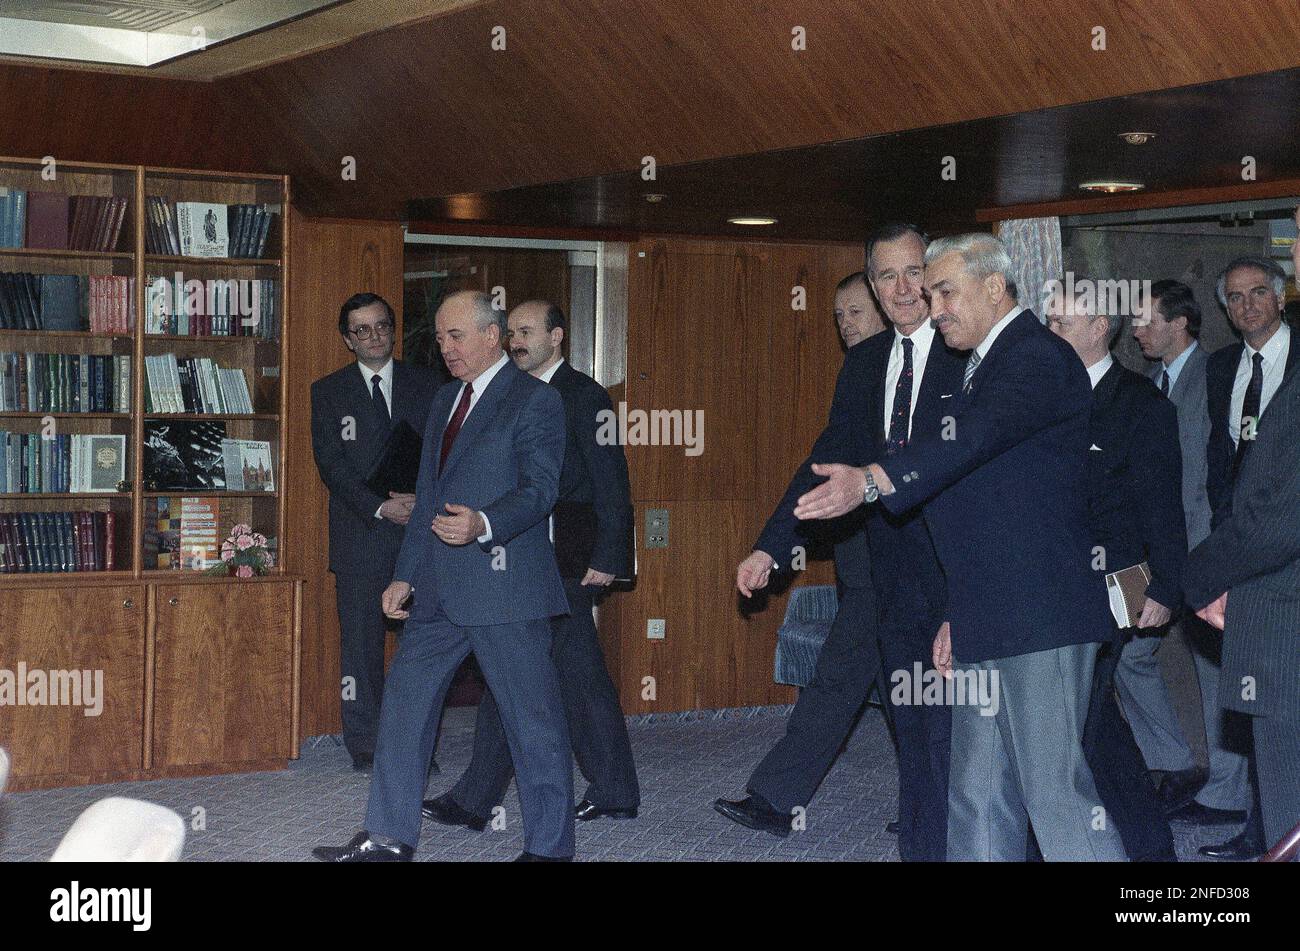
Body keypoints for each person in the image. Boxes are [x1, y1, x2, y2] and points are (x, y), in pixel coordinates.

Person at [796, 233, 1127, 861]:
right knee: (975, 793)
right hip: (985, 612)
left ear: (995, 289)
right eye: (930, 292)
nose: (933, 305)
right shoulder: (983, 364)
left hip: (1041, 616)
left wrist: (871, 480)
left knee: (1054, 797)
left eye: (945, 291)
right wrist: (958, 610)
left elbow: (966, 442)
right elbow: (984, 506)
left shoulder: (1037, 356)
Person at [718, 225, 960, 861]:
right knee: (920, 728)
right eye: (887, 277)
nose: (903, 289)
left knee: (971, 740)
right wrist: (771, 546)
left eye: (914, 273)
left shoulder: (972, 354)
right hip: (888, 576)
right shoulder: (865, 364)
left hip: (962, 574)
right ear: (875, 288)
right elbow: (825, 463)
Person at [313, 290, 573, 862]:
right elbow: (428, 494)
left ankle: (551, 849)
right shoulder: (444, 400)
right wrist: (404, 575)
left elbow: (540, 489)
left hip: (505, 590)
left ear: (492, 335)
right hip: (435, 589)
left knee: (532, 724)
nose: (445, 348)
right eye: (438, 337)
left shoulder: (535, 401)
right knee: (403, 710)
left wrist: (484, 521)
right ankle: (388, 836)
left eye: (456, 336)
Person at [424, 299, 639, 831]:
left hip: (570, 560)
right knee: (514, 672)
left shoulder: (583, 395)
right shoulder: (510, 394)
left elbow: (612, 480)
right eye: (511, 331)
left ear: (557, 336)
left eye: (526, 331)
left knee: (576, 676)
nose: (516, 341)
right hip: (524, 559)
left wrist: (610, 556)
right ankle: (478, 796)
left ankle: (613, 787)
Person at [1045, 284, 1184, 861]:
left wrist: (1166, 587)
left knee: (1090, 715)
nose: (1049, 332)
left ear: (1100, 325)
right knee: (1079, 719)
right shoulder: (1043, 399)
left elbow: (1164, 507)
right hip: (1051, 582)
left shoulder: (1141, 406)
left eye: (1060, 322)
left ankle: (1152, 854)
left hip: (1115, 584)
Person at [1184, 277, 1300, 851]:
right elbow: (1222, 460)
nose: (1246, 304)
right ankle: (1261, 830)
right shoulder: (1221, 367)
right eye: (1233, 296)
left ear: (1281, 297)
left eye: (1258, 292)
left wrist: (1198, 576)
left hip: (1274, 566)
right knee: (1265, 729)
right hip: (1243, 550)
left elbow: (1282, 509)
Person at [309, 292, 436, 771]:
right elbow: (332, 466)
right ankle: (365, 742)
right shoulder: (328, 391)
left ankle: (413, 743)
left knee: (420, 645)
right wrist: (381, 506)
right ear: (347, 339)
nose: (373, 336)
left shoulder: (427, 384)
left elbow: (443, 455)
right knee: (361, 645)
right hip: (361, 534)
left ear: (393, 329)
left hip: (421, 536)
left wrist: (420, 503)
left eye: (381, 326)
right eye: (361, 330)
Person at [1130, 282, 1223, 816]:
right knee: (1128, 655)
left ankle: (1226, 794)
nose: (1137, 331)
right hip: (1159, 549)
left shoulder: (1212, 377)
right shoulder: (1150, 382)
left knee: (1214, 671)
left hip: (1202, 543)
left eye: (1146, 320)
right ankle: (1176, 762)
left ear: (1180, 322)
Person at [833, 271, 886, 349]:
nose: (844, 325)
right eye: (839, 314)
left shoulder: (899, 357)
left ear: (881, 311)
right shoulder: (854, 359)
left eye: (854, 312)